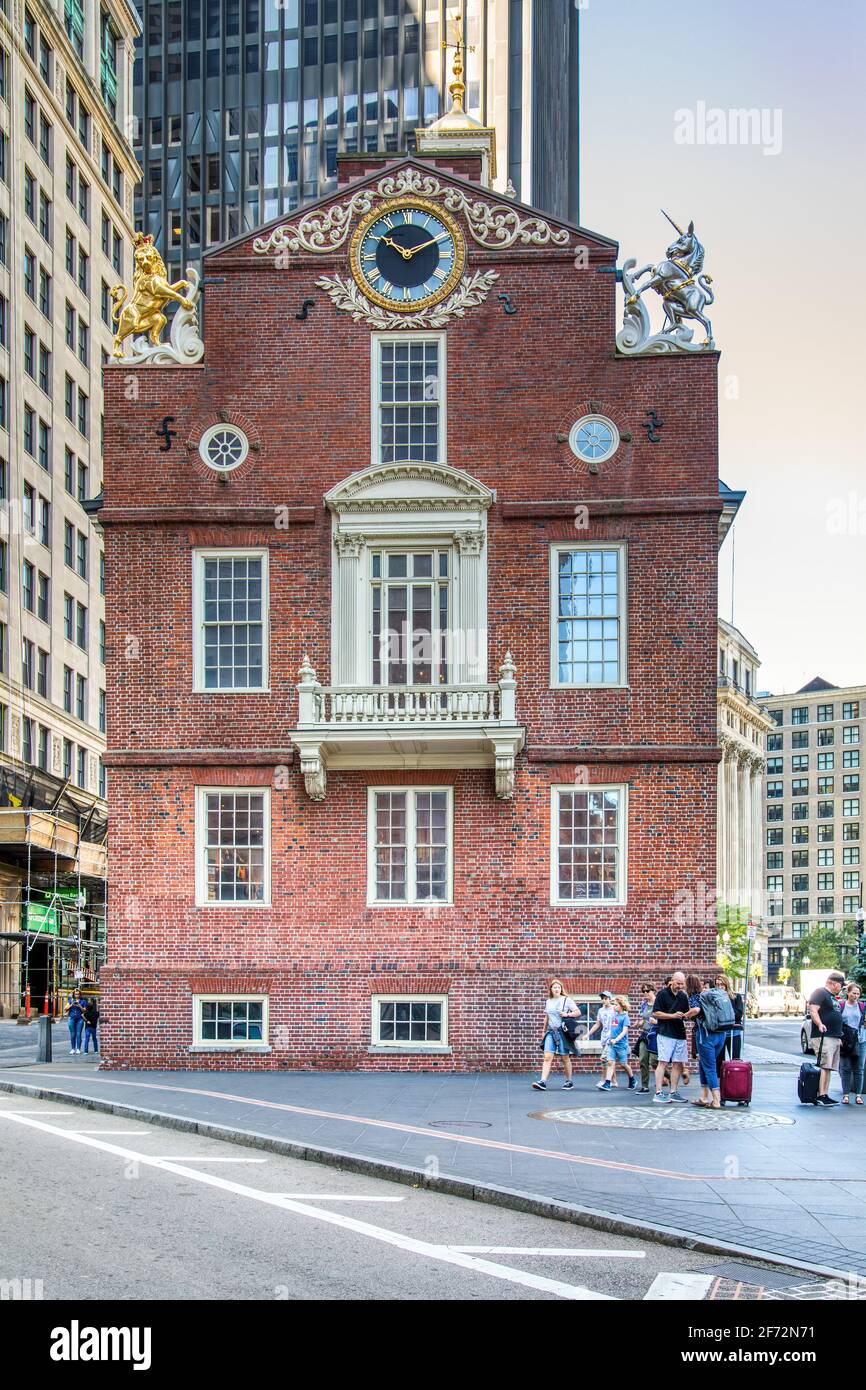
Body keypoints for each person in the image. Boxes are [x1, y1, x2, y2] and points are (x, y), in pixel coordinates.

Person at [688, 977, 729, 1109]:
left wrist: (685, 1015)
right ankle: (704, 1097)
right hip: (720, 1034)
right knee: (704, 1063)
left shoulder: (695, 997)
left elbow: (696, 1010)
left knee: (710, 1067)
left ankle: (716, 1100)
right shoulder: (712, 996)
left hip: (706, 1036)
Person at [807, 970, 846, 1105]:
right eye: (841, 985)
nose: (841, 989)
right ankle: (821, 1094)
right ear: (834, 984)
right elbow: (813, 1010)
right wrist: (820, 1024)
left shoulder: (832, 997)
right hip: (823, 1035)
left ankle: (825, 1093)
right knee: (825, 1065)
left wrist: (838, 1036)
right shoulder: (820, 992)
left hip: (833, 1036)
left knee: (829, 1067)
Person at [532, 979, 578, 1091]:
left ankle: (569, 1081)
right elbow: (547, 1017)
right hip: (551, 1031)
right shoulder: (548, 1002)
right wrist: (543, 1031)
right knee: (547, 1057)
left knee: (564, 1057)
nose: (557, 989)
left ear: (561, 989)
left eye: (559, 987)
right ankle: (542, 1081)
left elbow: (578, 1012)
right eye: (555, 987)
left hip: (562, 1032)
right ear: (551, 989)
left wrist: (567, 1014)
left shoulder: (566, 1000)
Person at [652, 970, 690, 1103]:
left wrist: (687, 1015)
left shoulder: (683, 996)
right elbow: (655, 1013)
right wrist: (672, 1016)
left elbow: (686, 1013)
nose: (680, 986)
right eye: (678, 983)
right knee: (662, 1062)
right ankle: (658, 1092)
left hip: (680, 1033)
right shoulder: (662, 994)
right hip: (665, 1033)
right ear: (672, 981)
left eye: (682, 984)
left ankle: (673, 1091)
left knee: (677, 1063)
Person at [597, 995, 637, 1091]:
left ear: (621, 1006)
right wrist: (610, 1039)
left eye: (615, 1005)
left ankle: (632, 1079)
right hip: (611, 1044)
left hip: (621, 1045)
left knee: (623, 1064)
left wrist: (616, 1039)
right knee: (610, 1062)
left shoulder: (625, 1017)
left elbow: (624, 1031)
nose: (614, 1007)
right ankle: (607, 1083)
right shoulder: (613, 1015)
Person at [839, 981, 866, 1105]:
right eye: (854, 993)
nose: (856, 996)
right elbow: (837, 1023)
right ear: (848, 993)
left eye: (858, 994)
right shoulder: (842, 1006)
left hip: (860, 1040)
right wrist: (838, 1037)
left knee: (859, 1068)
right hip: (845, 1041)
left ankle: (858, 1096)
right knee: (845, 1068)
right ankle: (845, 1095)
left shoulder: (862, 1006)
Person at [586, 991, 616, 1082]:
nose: (604, 1000)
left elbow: (619, 1022)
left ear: (610, 999)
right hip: (604, 1037)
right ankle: (614, 1081)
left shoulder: (615, 1009)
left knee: (605, 1059)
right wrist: (587, 1034)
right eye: (602, 999)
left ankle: (604, 1080)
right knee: (609, 1060)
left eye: (606, 998)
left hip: (612, 1038)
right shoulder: (600, 1010)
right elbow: (597, 1024)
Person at [636, 983, 659, 1093]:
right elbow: (642, 1019)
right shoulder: (644, 1005)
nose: (645, 993)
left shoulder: (659, 1003)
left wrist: (657, 1022)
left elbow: (665, 1020)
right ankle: (645, 1086)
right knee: (643, 1060)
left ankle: (668, 1077)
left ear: (653, 991)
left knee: (654, 1062)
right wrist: (639, 1023)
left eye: (647, 991)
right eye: (643, 991)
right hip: (645, 1035)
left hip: (655, 1035)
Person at [716, 974, 744, 1060]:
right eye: (717, 984)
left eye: (722, 984)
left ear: (726, 985)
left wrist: (726, 1001)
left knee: (735, 1059)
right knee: (719, 1060)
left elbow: (738, 1015)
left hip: (733, 1031)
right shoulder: (714, 998)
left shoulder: (736, 997)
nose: (720, 987)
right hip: (720, 1031)